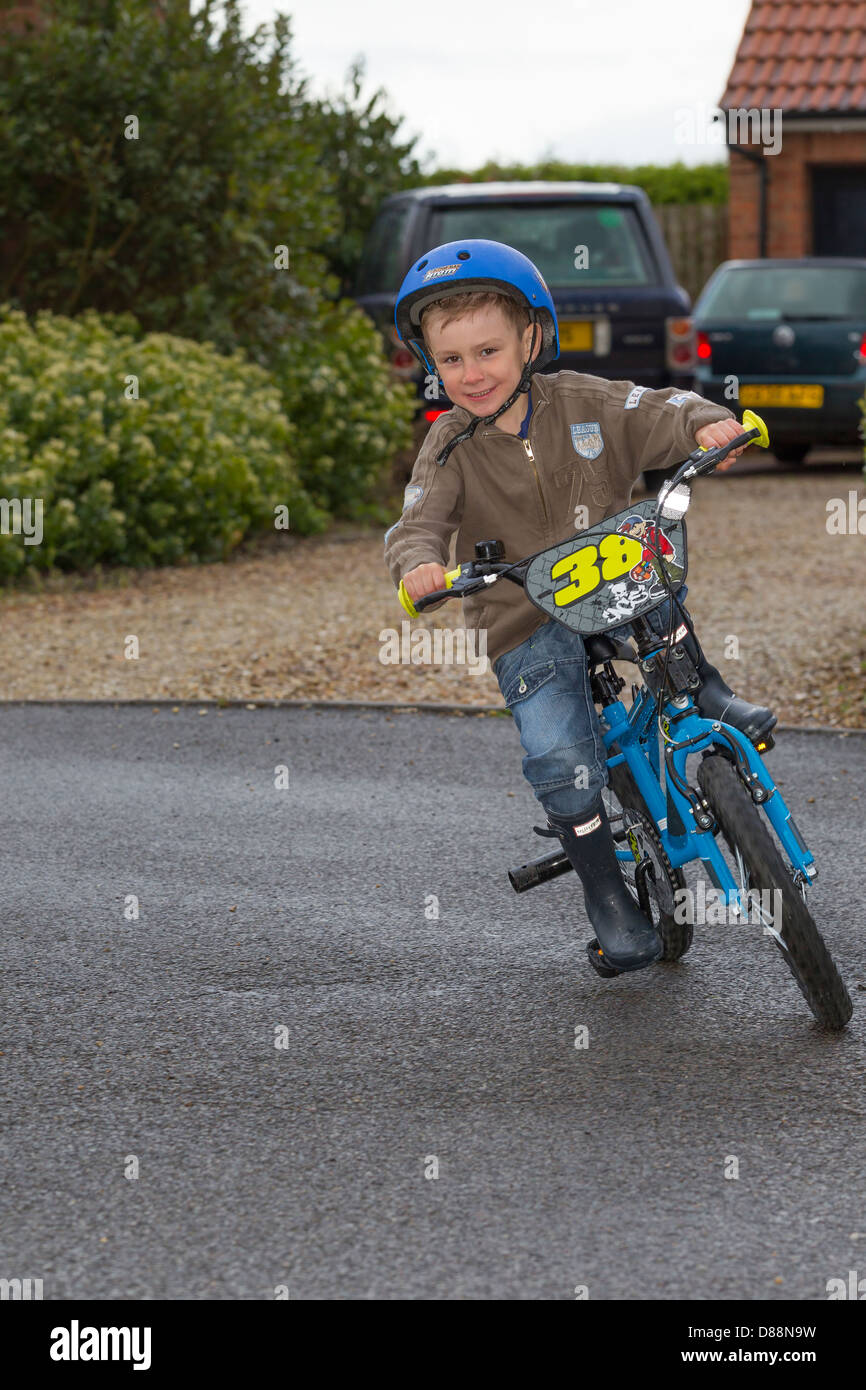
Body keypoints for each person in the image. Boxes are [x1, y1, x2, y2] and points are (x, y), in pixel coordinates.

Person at [383, 239, 776, 974]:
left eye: (489, 351)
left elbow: (660, 409)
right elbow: (417, 523)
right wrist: (423, 567)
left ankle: (711, 693)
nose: (472, 374)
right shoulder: (448, 446)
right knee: (561, 756)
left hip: (614, 579)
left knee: (658, 595)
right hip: (522, 615)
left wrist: (706, 426)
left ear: (533, 336)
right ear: (431, 365)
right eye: (453, 360)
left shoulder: (584, 401)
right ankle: (607, 897)